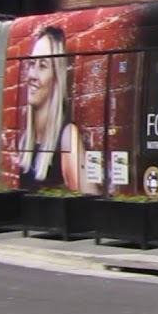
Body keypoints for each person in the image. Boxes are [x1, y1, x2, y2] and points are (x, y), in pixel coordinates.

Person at [17, 26, 98, 194]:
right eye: (32, 64)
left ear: (56, 78)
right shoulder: (26, 140)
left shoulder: (68, 137)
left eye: (43, 66)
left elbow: (88, 204)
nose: (32, 74)